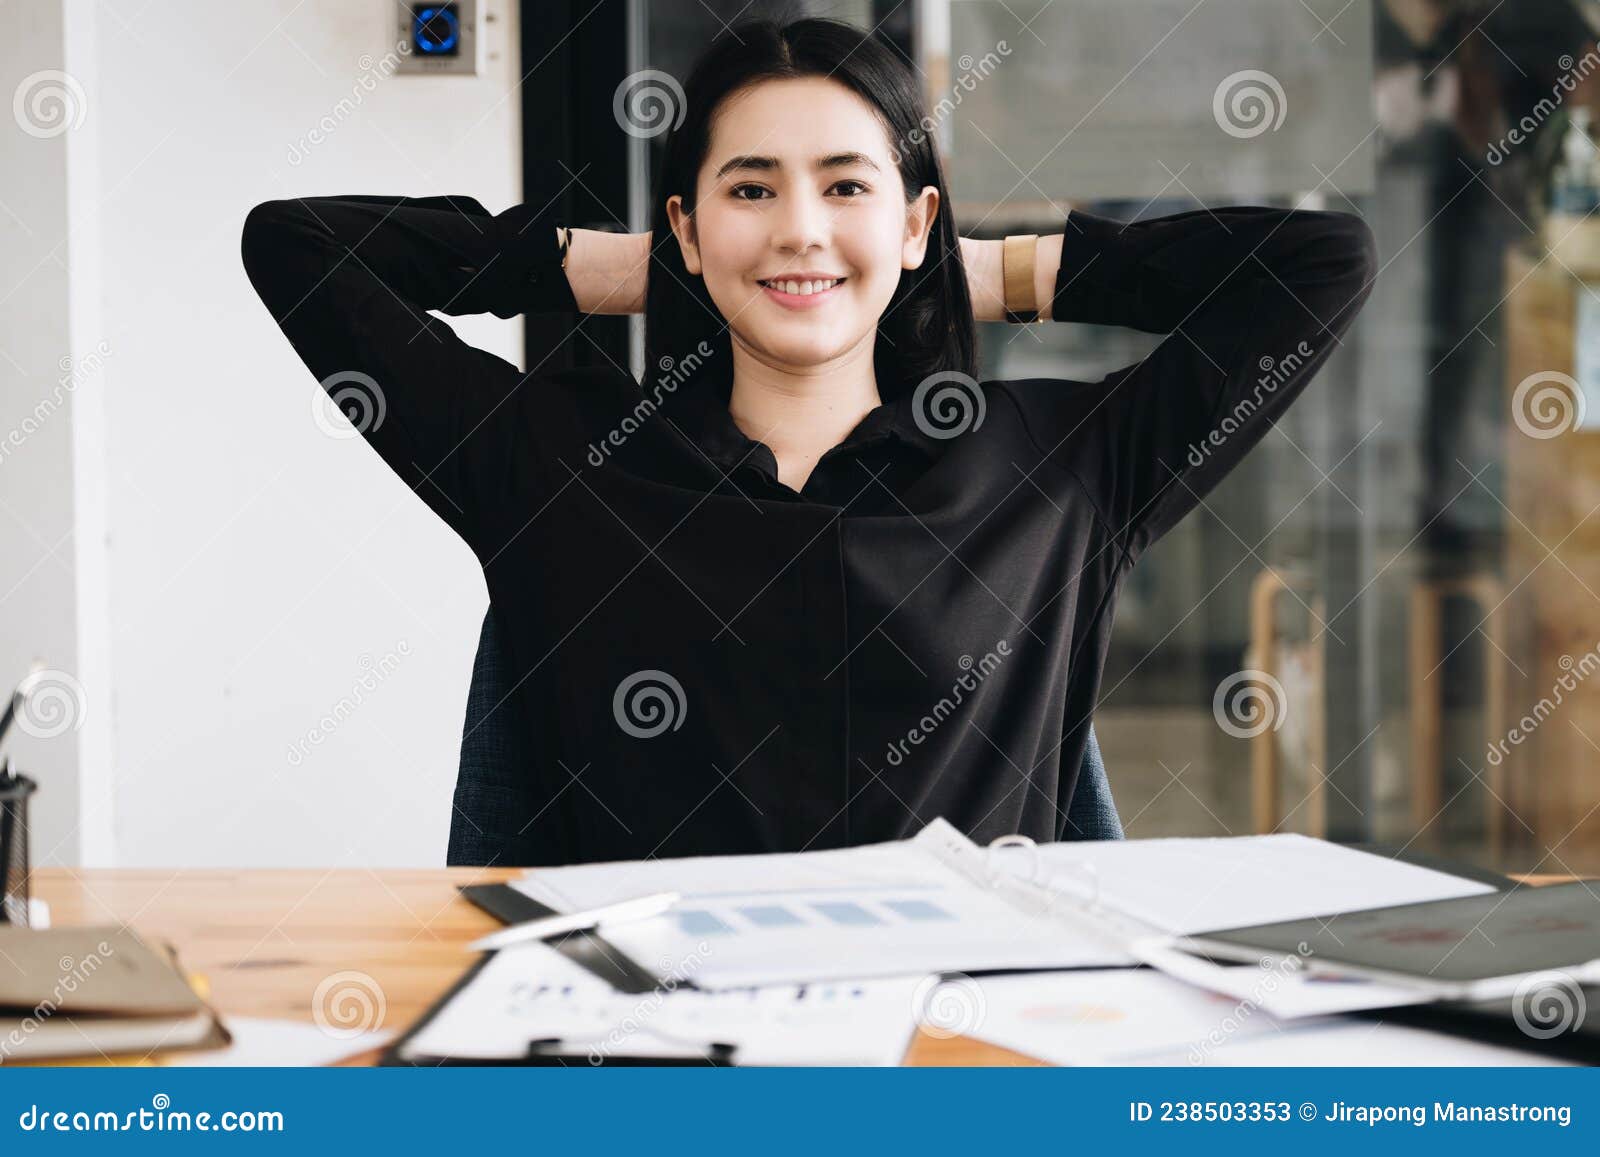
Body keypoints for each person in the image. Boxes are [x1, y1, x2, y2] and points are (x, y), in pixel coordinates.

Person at [240, 16, 1375, 867]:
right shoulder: (559, 464)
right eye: (749, 190)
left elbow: (1321, 267)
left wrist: (967, 273)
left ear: (917, 215)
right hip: (658, 1072)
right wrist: (631, 268)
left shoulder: (1060, 469)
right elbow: (299, 251)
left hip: (959, 1062)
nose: (798, 227)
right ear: (683, 221)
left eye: (846, 187)